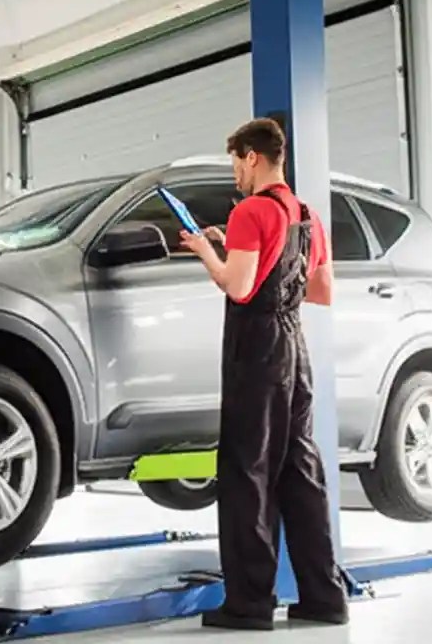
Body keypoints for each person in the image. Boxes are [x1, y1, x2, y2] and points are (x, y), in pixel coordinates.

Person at [178, 117, 348, 630]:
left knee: (246, 472)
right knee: (300, 471)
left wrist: (209, 251)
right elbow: (321, 292)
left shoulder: (252, 209)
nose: (235, 173)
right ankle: (324, 597)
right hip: (296, 348)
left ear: (252, 157)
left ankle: (249, 604)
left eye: (235, 162)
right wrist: (239, 245)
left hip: (257, 350)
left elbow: (239, 287)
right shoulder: (308, 215)